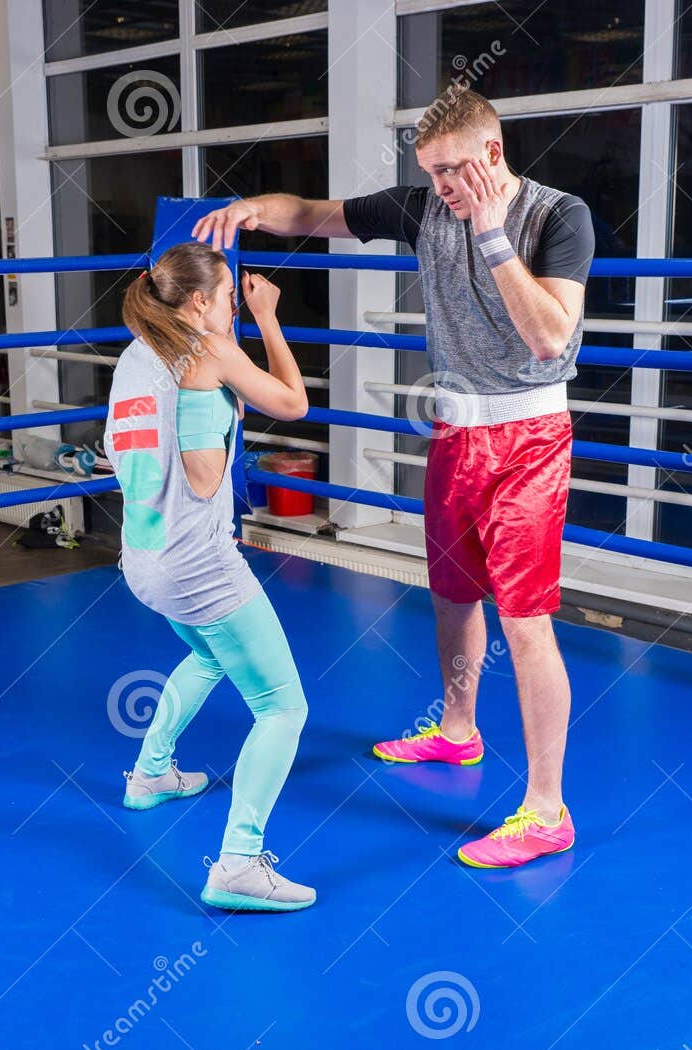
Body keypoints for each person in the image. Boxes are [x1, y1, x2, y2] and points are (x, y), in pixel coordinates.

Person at [193, 85, 592, 870]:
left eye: (452, 171)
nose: (442, 187)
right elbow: (312, 212)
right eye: (431, 173)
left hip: (529, 436)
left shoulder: (557, 215)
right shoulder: (422, 209)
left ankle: (547, 810)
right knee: (450, 593)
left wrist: (490, 236)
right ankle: (456, 728)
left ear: (493, 153)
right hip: (455, 432)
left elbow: (550, 337)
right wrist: (249, 210)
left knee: (526, 621)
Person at [104, 241, 317, 912]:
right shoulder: (208, 352)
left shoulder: (136, 355)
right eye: (228, 297)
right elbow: (293, 402)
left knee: (208, 653)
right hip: (198, 568)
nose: (236, 306)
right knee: (284, 707)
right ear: (199, 301)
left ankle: (150, 771)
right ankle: (238, 863)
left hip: (142, 556)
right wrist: (268, 317)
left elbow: (174, 460)